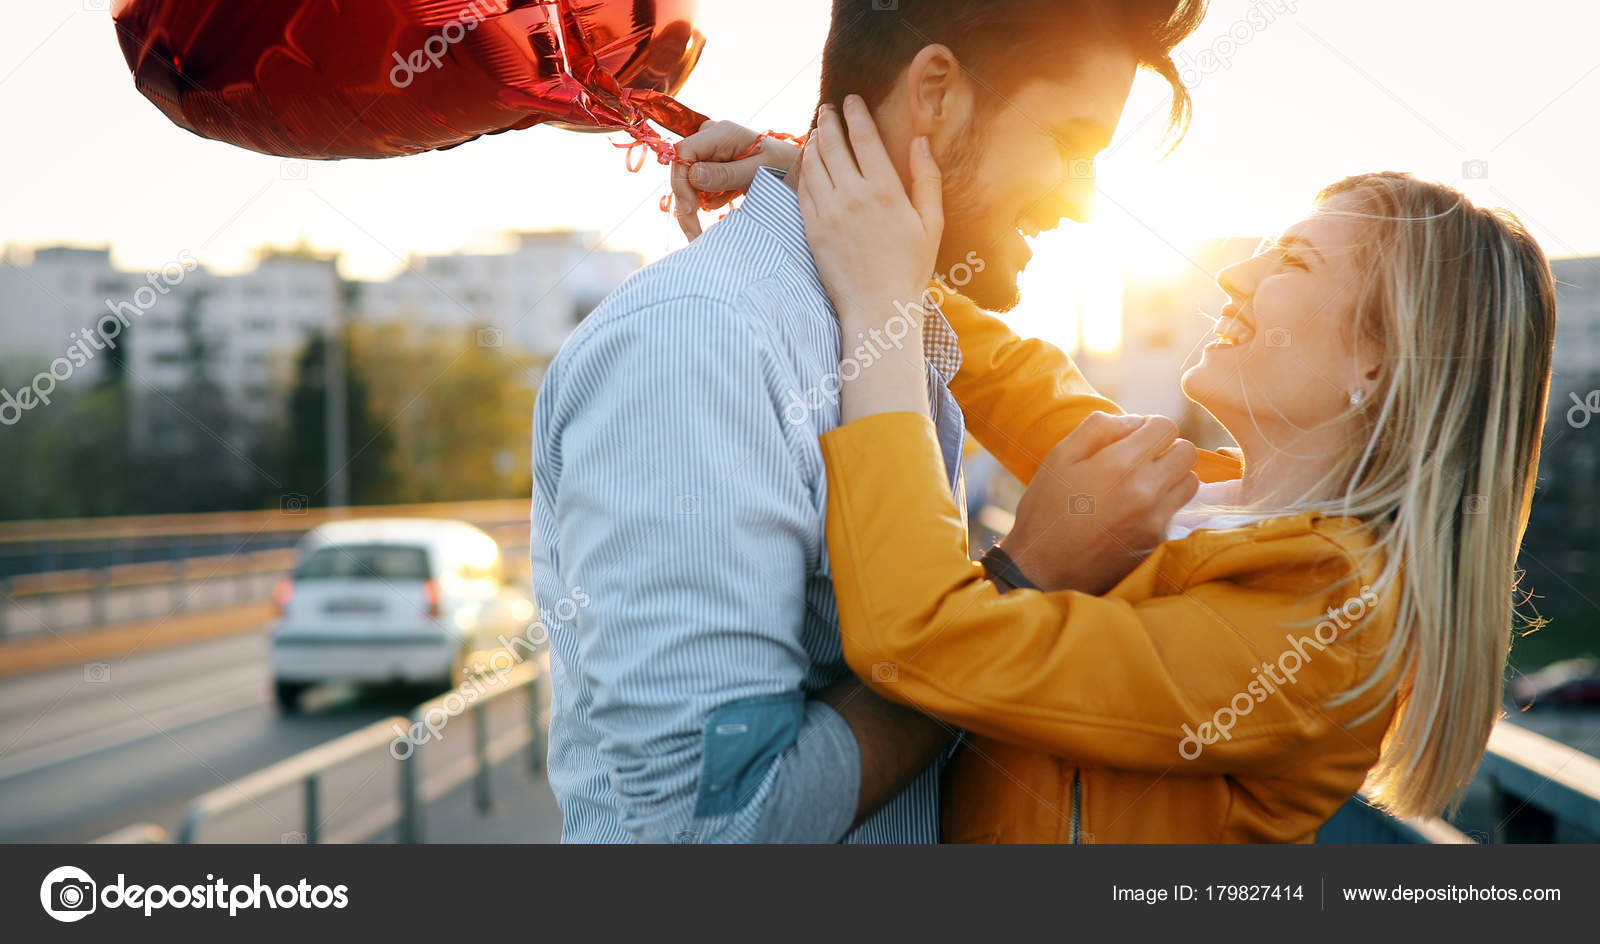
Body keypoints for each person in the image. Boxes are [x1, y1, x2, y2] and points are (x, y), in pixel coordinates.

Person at [708, 99, 1552, 841]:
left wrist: (879, 307)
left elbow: (918, 642)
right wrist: (819, 191)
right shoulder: (1194, 487)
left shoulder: (1328, 627)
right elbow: (1008, 374)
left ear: (1382, 363)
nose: (1232, 274)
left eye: (1290, 263)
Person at [529, 0, 1210, 842]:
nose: (1084, 206)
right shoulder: (704, 342)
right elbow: (709, 830)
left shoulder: (890, 327)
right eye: (1070, 146)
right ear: (933, 93)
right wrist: (1019, 585)